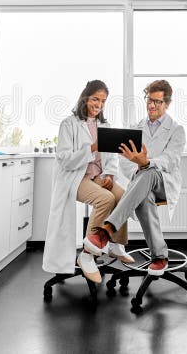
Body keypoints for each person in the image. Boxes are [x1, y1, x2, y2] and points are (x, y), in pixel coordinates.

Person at [83, 80, 185, 276]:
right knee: (144, 193)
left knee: (151, 172)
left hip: (164, 183)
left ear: (167, 104)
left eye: (157, 102)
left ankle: (106, 231)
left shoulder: (176, 130)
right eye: (149, 100)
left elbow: (170, 161)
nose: (151, 105)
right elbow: (125, 162)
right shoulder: (135, 128)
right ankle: (159, 255)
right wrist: (140, 165)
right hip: (143, 183)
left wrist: (145, 162)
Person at [42, 80, 134, 283]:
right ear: (85, 98)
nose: (98, 104)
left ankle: (115, 244)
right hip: (77, 178)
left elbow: (111, 158)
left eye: (102, 101)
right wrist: (92, 148)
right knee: (105, 200)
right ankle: (87, 254)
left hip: (99, 177)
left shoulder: (105, 126)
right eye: (95, 99)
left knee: (124, 197)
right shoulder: (69, 124)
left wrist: (110, 175)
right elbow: (64, 159)